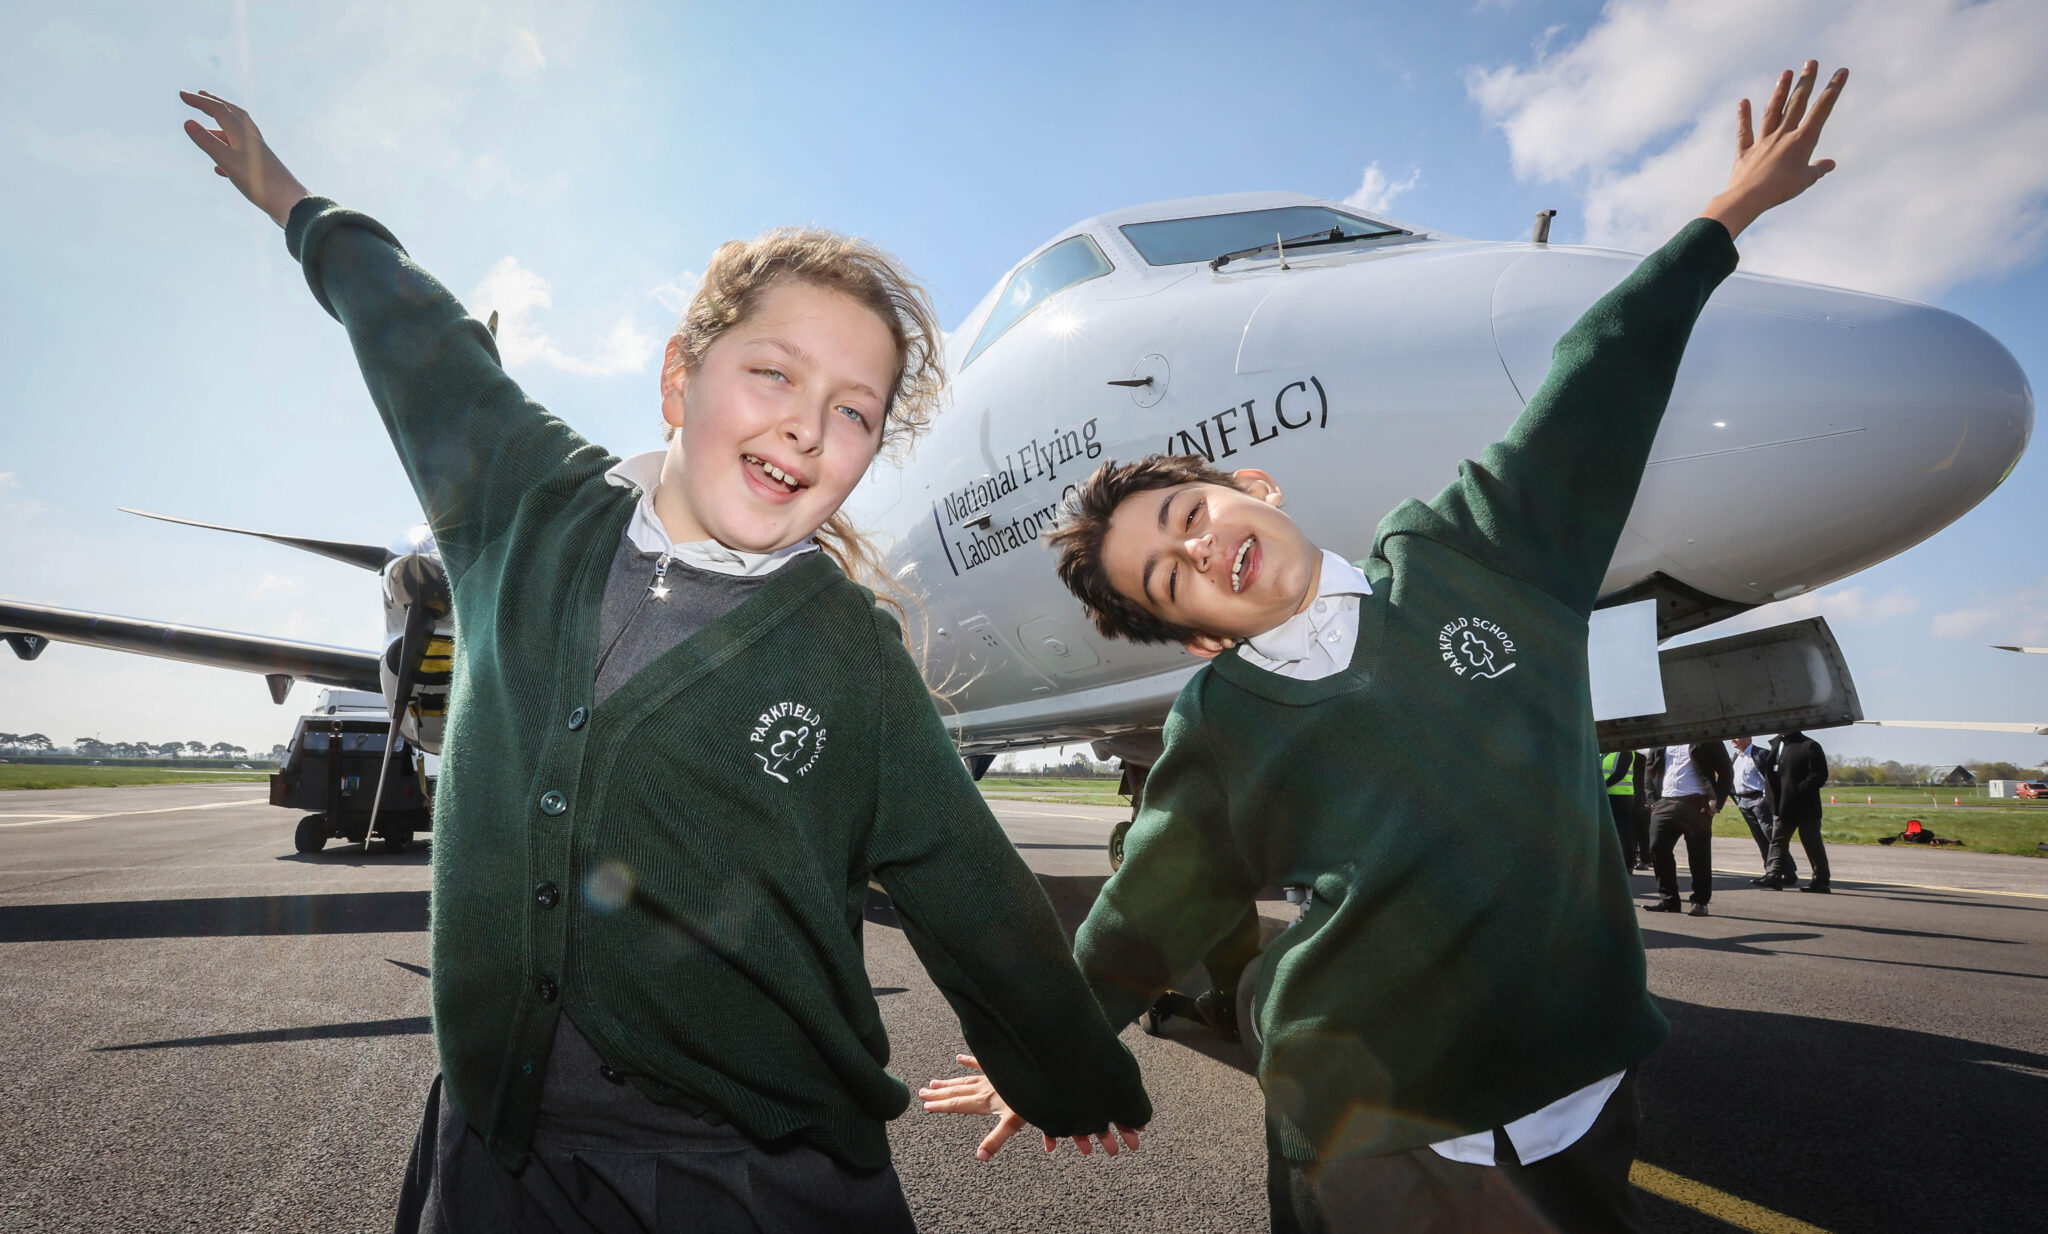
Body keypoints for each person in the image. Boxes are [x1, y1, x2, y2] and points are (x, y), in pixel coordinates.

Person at [178, 90, 1149, 1231]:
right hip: (500, 1153)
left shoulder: (852, 657)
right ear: (679, 379)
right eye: (774, 374)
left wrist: (1070, 1071)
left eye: (853, 412)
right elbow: (420, 343)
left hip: (749, 1176)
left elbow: (970, 885)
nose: (804, 425)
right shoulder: (523, 503)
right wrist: (293, 201)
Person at [927, 60, 1848, 1234]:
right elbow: (1138, 924)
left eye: (1191, 516)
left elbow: (1592, 386)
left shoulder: (1474, 558)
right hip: (1361, 1138)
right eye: (1168, 579)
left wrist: (1723, 217)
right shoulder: (1220, 729)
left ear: (1249, 484)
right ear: (1195, 633)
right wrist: (1038, 1063)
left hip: (1577, 1101)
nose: (1202, 553)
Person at [1645, 741, 1734, 916]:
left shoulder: (1707, 738)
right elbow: (1649, 769)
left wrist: (1716, 803)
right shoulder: (1662, 739)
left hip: (1696, 803)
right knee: (1656, 848)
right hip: (1664, 803)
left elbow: (1726, 772)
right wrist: (1652, 801)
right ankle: (1669, 900)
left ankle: (1700, 902)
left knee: (1698, 854)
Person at [1766, 730, 1833, 892]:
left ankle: (1821, 880)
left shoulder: (1810, 746)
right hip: (1782, 805)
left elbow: (1819, 775)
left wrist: (1797, 791)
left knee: (1812, 843)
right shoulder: (1776, 744)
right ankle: (1773, 876)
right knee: (1778, 840)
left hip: (1805, 806)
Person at [1731, 736, 1791, 885]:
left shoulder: (1761, 754)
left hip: (1759, 800)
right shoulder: (1735, 757)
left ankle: (1788, 872)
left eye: (1737, 736)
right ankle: (1770, 872)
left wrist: (1767, 798)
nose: (1733, 739)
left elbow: (1773, 777)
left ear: (1747, 737)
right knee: (1760, 839)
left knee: (1771, 837)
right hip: (1743, 801)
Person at [1601, 749, 1647, 870]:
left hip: (1621, 796)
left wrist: (1601, 785)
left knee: (1623, 831)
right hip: (1605, 794)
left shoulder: (1625, 752)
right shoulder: (1602, 752)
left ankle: (1628, 863)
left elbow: (1620, 773)